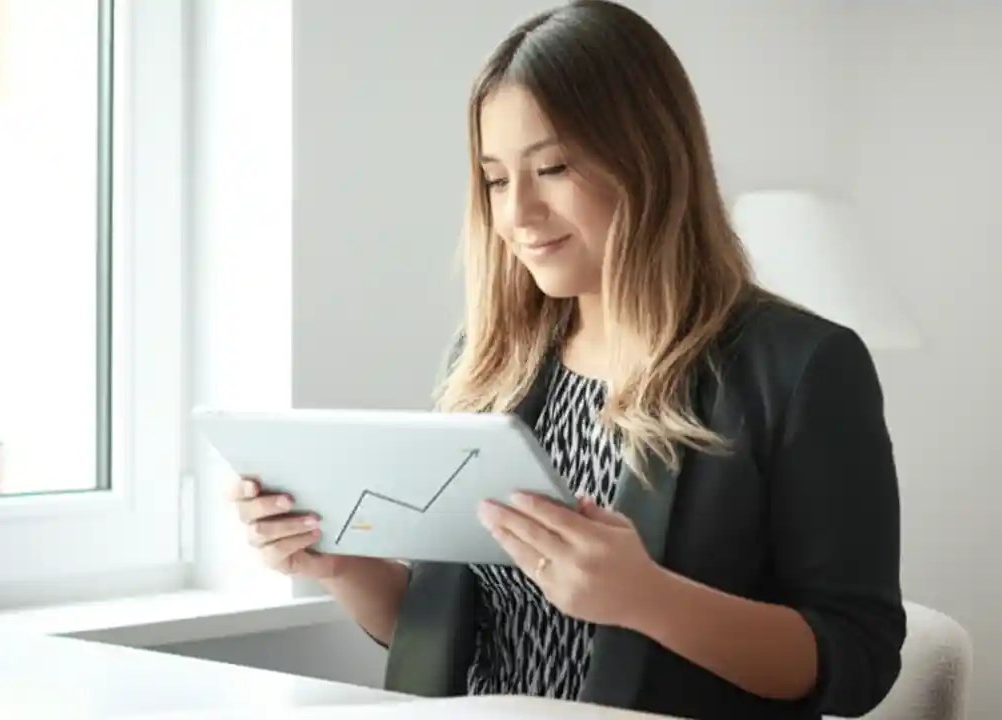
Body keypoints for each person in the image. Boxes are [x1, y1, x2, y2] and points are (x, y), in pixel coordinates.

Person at [231, 1, 905, 718]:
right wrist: (341, 564)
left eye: (551, 167)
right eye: (495, 178)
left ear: (648, 158)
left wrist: (647, 598)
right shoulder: (488, 365)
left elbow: (857, 660)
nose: (518, 212)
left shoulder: (802, 367)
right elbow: (458, 632)